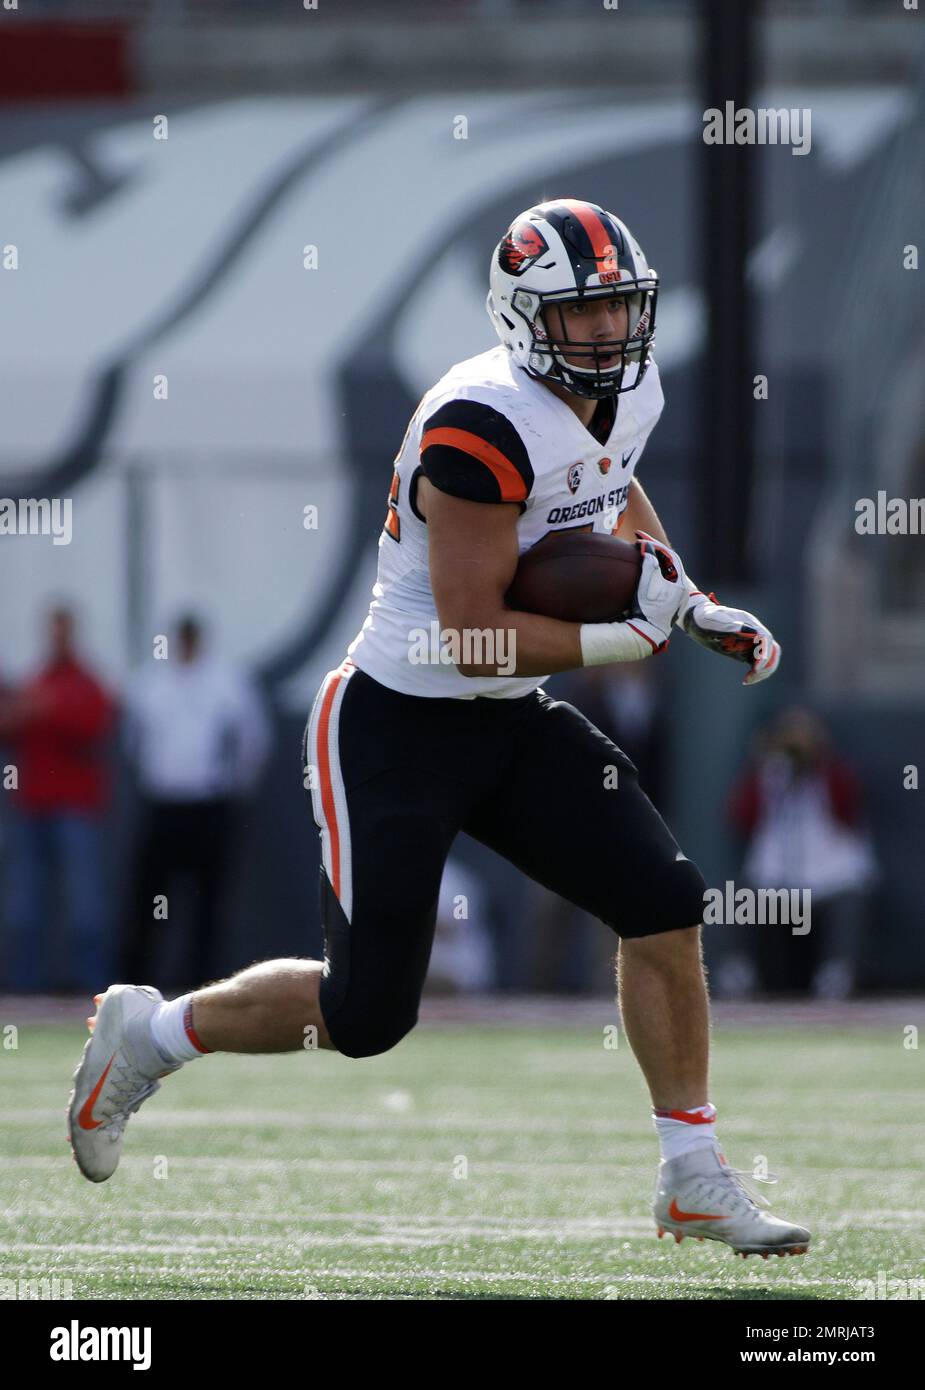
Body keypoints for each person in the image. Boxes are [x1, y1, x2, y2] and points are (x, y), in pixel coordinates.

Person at [67, 199, 808, 1259]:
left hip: (503, 718)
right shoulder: (477, 424)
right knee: (368, 1014)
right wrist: (625, 639)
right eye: (579, 314)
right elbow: (472, 638)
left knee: (662, 900)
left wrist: (685, 603)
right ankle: (147, 1035)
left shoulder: (627, 386)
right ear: (519, 316)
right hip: (397, 720)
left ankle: (691, 1173)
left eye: (616, 309)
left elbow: (611, 480)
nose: (605, 335)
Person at [121, 615, 271, 989]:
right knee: (152, 899)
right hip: (164, 805)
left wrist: (234, 784)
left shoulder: (226, 682)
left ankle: (203, 985)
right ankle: (139, 983)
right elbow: (132, 741)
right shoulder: (149, 683)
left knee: (209, 899)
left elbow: (253, 739)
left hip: (209, 806)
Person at [0, 607, 115, 992]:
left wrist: (48, 710)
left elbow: (94, 726)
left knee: (85, 903)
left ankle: (92, 987)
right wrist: (31, 710)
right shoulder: (35, 680)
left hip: (75, 807)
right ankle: (24, 991)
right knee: (23, 905)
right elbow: (10, 725)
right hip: (32, 806)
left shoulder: (86, 682)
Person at [728, 706, 877, 999]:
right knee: (735, 896)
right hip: (777, 877)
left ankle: (837, 974)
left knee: (850, 900)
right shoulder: (768, 774)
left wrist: (813, 760)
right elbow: (740, 815)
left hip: (828, 876)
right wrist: (764, 763)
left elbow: (850, 803)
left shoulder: (834, 773)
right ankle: (738, 972)